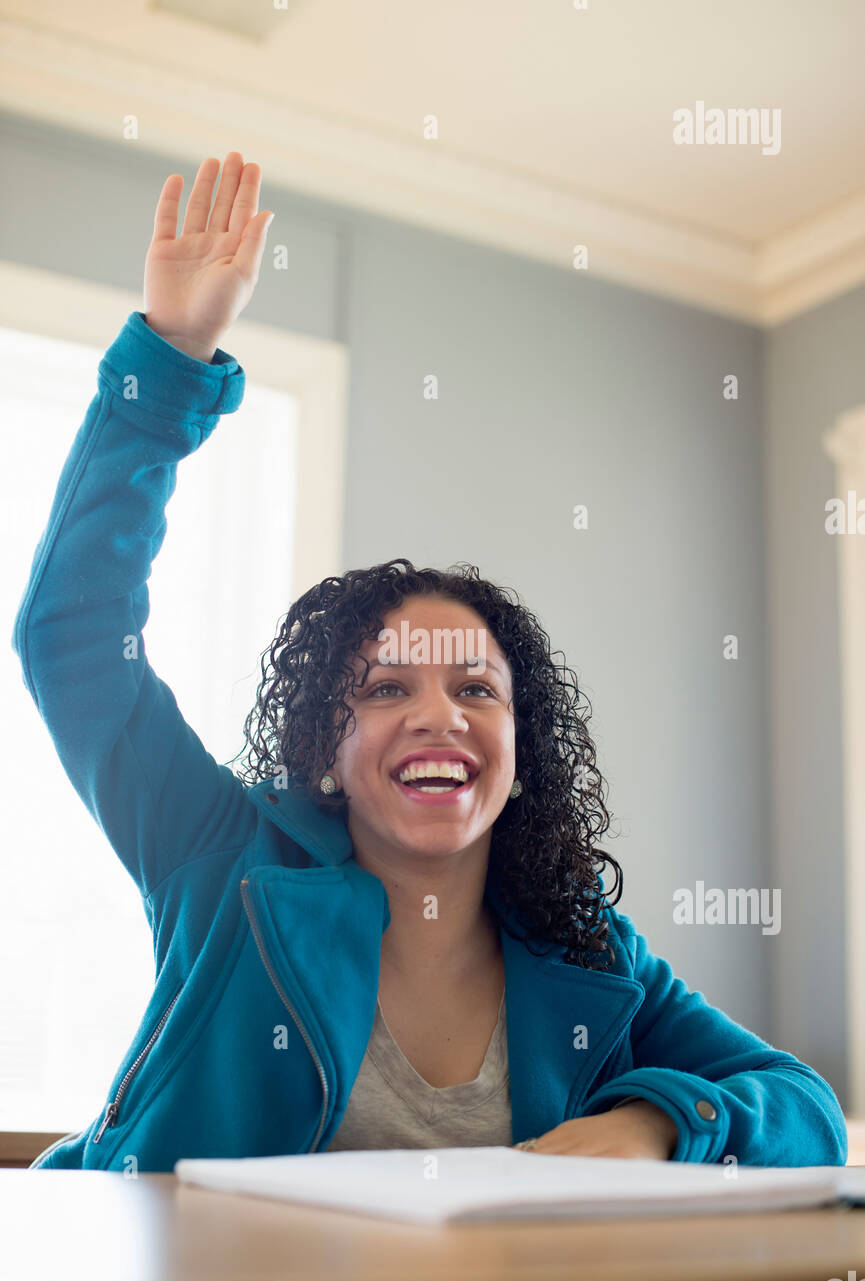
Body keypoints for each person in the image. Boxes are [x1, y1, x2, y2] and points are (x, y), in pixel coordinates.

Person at [13, 154, 847, 1172]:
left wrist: (651, 1122)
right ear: (328, 737)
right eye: (386, 687)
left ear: (518, 742)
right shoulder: (220, 859)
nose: (438, 715)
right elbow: (74, 637)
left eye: (475, 689)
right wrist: (172, 358)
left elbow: (804, 1105)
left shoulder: (587, 951)